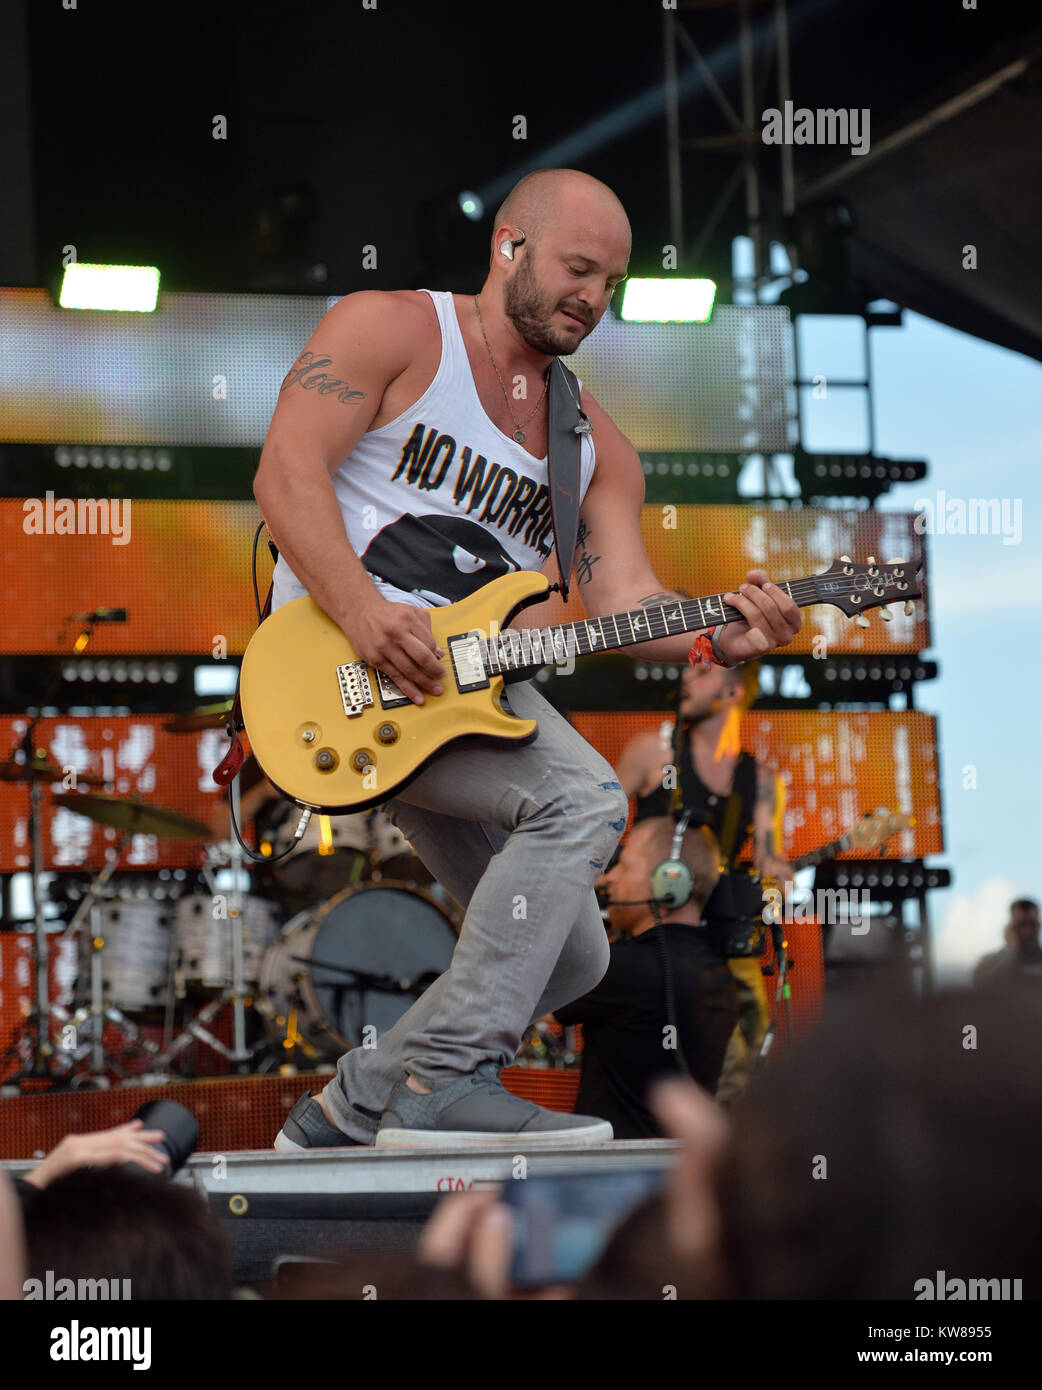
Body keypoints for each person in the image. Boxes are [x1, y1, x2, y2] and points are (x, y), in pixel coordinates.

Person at [253, 167, 801, 1150]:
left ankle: (353, 1104)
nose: (592, 297)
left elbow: (626, 599)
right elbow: (286, 470)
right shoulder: (391, 328)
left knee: (577, 954)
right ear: (509, 245)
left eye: (611, 283)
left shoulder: (591, 447)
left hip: (465, 699)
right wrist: (366, 610)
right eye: (578, 267)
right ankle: (442, 1078)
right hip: (343, 665)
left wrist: (728, 626)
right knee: (586, 800)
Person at [614, 659, 790, 1102]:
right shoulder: (652, 752)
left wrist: (779, 878)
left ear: (732, 692)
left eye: (704, 673)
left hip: (719, 940)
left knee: (741, 1059)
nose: (686, 678)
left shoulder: (763, 782)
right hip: (649, 935)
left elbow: (772, 861)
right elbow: (595, 828)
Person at [553, 817, 738, 1138]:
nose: (608, 878)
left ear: (669, 884)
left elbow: (542, 997)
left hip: (612, 1173)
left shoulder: (624, 969)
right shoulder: (722, 978)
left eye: (625, 866)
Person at [973, 898, 1042, 987]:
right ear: (1010, 927)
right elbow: (981, 985)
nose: (1027, 931)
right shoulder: (990, 961)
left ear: (1039, 926)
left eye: (1031, 925)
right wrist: (1013, 949)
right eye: (1022, 925)